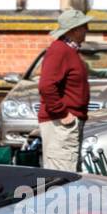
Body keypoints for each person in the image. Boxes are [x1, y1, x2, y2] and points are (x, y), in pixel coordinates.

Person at [37, 9, 92, 172]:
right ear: (74, 30)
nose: (87, 29)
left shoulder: (68, 51)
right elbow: (46, 86)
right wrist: (62, 113)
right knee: (62, 176)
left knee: (68, 173)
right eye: (84, 26)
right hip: (60, 124)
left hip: (67, 122)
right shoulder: (59, 50)